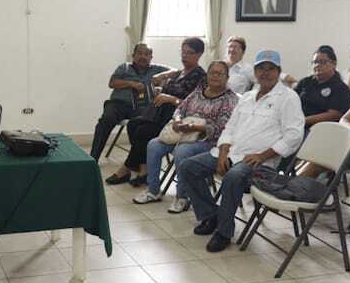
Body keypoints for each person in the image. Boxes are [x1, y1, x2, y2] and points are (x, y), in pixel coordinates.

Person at [177, 50, 304, 252]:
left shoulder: (288, 98)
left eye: (271, 69)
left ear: (279, 72)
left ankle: (224, 232)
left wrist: (263, 155)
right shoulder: (247, 97)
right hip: (232, 153)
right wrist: (223, 152)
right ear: (255, 72)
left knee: (233, 177)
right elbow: (230, 128)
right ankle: (210, 216)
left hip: (261, 161)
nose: (266, 73)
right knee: (187, 167)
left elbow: (294, 136)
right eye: (261, 68)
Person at [133, 60, 238, 214]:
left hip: (209, 140)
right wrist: (177, 121)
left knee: (183, 151)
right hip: (184, 133)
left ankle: (182, 197)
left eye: (220, 73)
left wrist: (194, 127)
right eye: (212, 73)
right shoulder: (198, 91)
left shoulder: (230, 99)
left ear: (227, 77)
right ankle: (153, 190)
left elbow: (223, 128)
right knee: (154, 145)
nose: (215, 76)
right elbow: (180, 109)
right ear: (207, 75)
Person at [106, 38, 206, 186]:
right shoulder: (179, 73)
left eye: (189, 53)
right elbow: (166, 86)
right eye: (183, 52)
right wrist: (160, 90)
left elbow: (193, 105)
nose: (184, 56)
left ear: (199, 54)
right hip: (160, 114)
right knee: (133, 125)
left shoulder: (200, 76)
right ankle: (144, 168)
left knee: (143, 131)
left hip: (178, 119)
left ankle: (126, 168)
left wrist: (170, 98)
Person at [90, 43, 168, 161]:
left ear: (151, 57)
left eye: (147, 54)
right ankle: (93, 159)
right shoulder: (124, 67)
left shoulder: (157, 69)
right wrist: (131, 84)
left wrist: (162, 84)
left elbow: (176, 72)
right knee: (106, 120)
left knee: (142, 125)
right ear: (133, 55)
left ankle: (136, 163)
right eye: (140, 53)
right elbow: (112, 83)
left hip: (141, 107)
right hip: (118, 104)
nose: (143, 57)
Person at [295, 45, 350, 129]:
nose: (317, 65)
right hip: (296, 123)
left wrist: (302, 121)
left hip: (320, 129)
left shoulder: (341, 88)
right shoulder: (305, 82)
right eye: (315, 62)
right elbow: (291, 100)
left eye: (322, 62)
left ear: (334, 64)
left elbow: (333, 115)